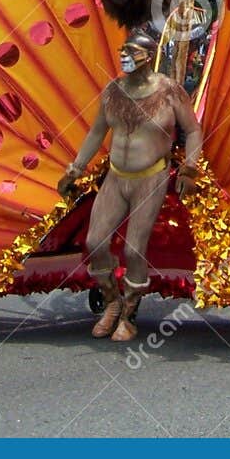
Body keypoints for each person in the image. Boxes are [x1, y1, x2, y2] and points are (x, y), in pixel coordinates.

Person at [56, 24, 202, 343]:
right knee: (94, 242)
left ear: (148, 57)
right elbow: (97, 133)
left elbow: (192, 130)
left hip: (151, 176)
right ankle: (112, 302)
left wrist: (190, 169)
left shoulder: (169, 91)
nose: (124, 57)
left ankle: (130, 314)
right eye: (122, 52)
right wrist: (75, 169)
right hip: (116, 176)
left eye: (131, 53)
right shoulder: (113, 91)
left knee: (135, 249)